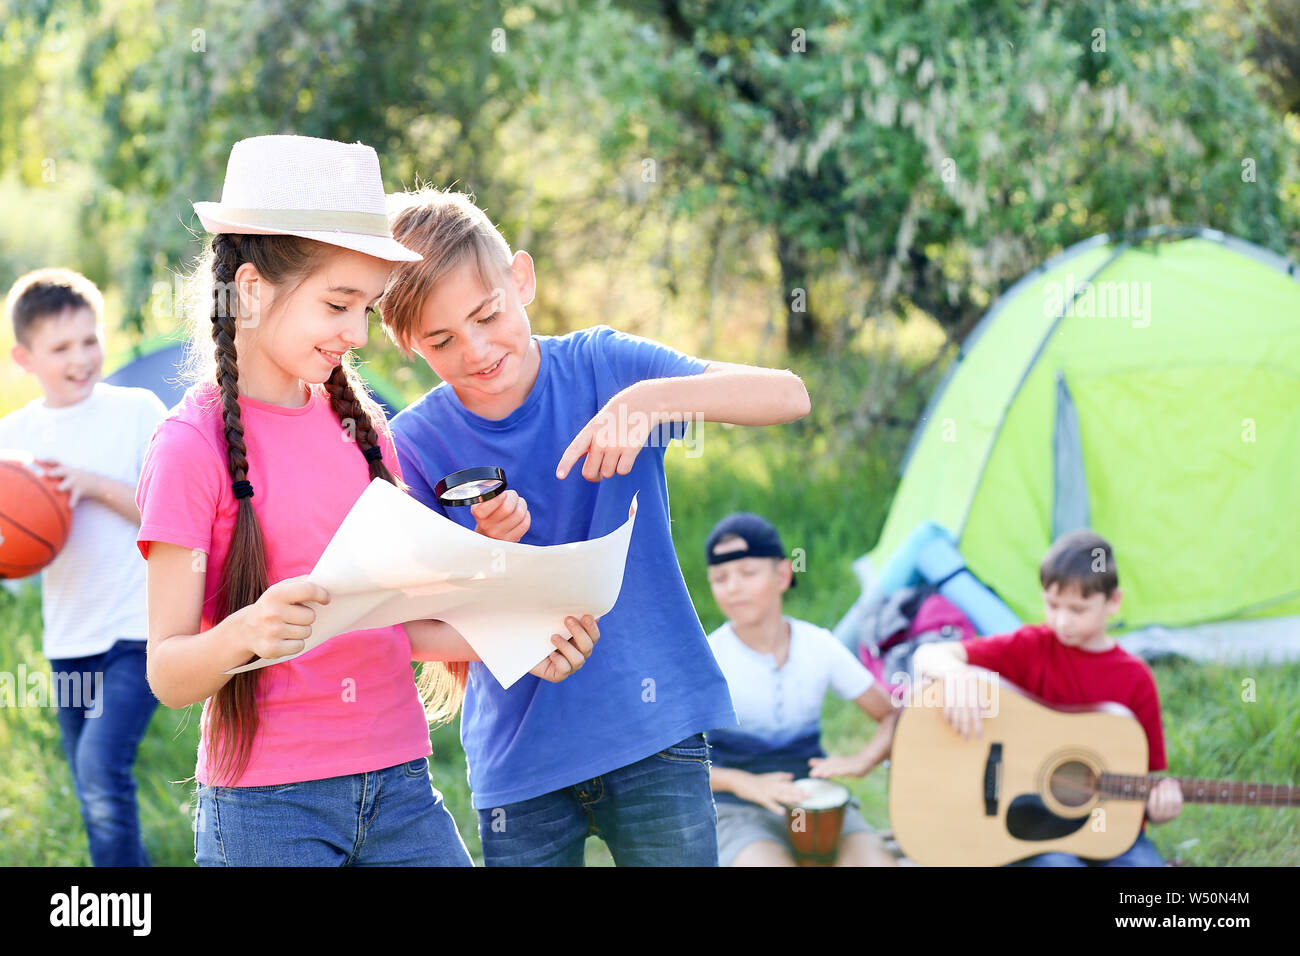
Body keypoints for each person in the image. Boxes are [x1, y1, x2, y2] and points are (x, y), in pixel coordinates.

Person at [136, 135, 598, 867]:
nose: (358, 334)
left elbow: (394, 624)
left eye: (368, 307)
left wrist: (522, 640)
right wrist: (248, 630)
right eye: (339, 304)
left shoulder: (362, 430)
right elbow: (168, 672)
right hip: (268, 809)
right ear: (251, 289)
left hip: (402, 788)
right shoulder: (190, 448)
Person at [378, 186, 811, 866]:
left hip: (655, 734)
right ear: (405, 343)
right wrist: (495, 577)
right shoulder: (414, 445)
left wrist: (649, 400)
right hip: (519, 764)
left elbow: (788, 394)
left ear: (521, 279)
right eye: (442, 340)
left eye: (488, 314)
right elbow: (396, 622)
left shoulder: (604, 368)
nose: (478, 349)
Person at [0, 267, 167, 866]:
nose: (81, 357)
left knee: (101, 767)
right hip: (69, 638)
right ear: (24, 356)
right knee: (90, 787)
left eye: (89, 340)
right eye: (61, 347)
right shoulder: (11, 441)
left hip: (140, 630)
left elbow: (168, 512)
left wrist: (93, 486)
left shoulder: (137, 410)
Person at [913, 529, 1183, 866]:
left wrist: (1159, 808)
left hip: (1108, 831)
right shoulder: (1032, 647)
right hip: (1032, 828)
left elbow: (1144, 781)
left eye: (1078, 609)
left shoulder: (1136, 679)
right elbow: (928, 655)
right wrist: (953, 675)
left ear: (1113, 602)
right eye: (1052, 605)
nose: (1061, 620)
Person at [702, 512, 898, 867]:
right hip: (738, 810)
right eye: (719, 578)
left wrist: (863, 761)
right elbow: (669, 760)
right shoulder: (708, 657)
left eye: (747, 573)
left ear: (782, 575)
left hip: (816, 801)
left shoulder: (819, 645)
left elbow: (890, 715)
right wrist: (743, 782)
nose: (732, 587)